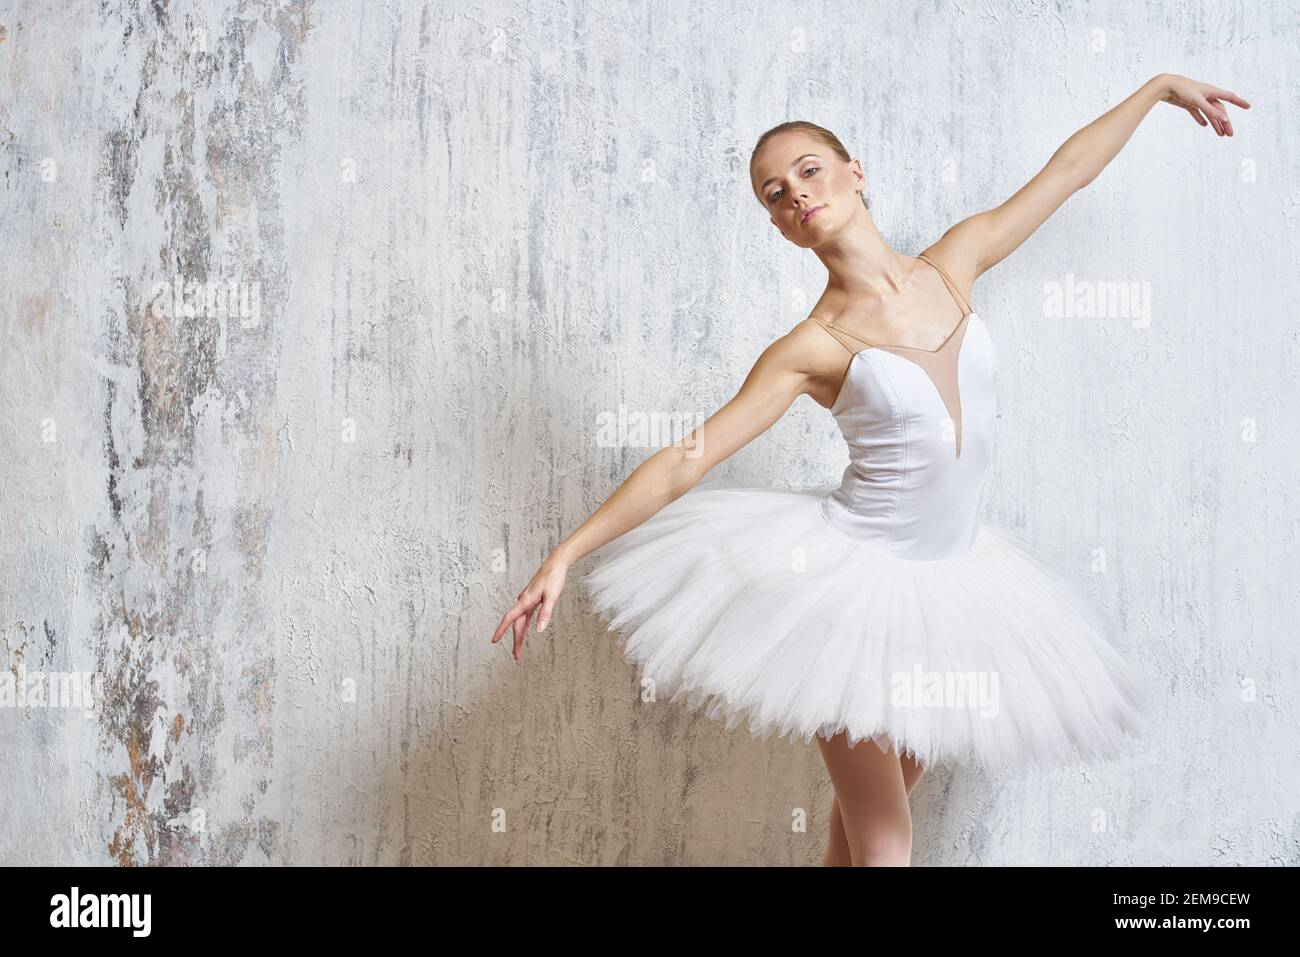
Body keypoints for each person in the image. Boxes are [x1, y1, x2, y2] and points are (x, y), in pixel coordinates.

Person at [490, 73, 1249, 866]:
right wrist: (566, 553)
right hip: (846, 597)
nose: (795, 194)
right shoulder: (810, 346)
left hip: (951, 589)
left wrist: (1157, 90)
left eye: (809, 170)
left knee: (857, 838)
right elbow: (690, 457)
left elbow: (1067, 173)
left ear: (856, 171)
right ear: (779, 226)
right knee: (887, 843)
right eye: (775, 194)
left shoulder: (954, 263)